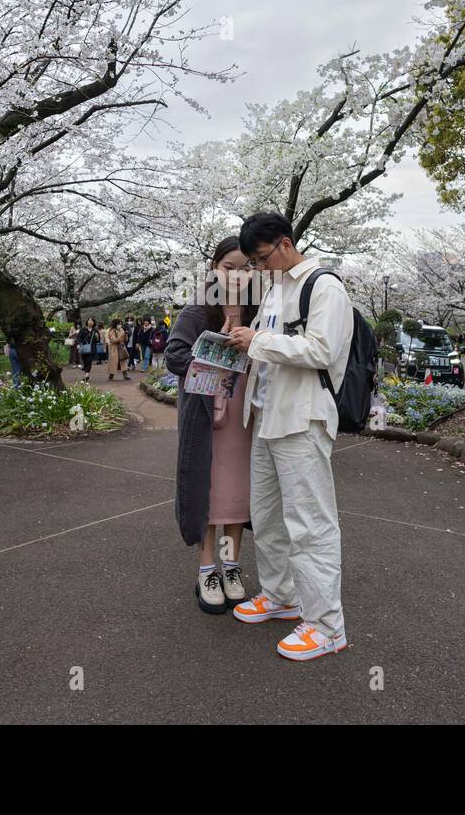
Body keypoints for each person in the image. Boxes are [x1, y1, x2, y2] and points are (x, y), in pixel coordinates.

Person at [224, 212, 353, 662]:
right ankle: (281, 597)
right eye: (254, 264)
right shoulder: (277, 289)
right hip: (265, 416)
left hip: (302, 418)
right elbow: (268, 344)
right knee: (269, 515)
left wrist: (257, 341)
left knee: (311, 524)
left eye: (261, 259)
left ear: (284, 243)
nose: (259, 269)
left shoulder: (325, 285)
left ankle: (326, 625)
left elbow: (323, 349)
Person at [166, 237, 259, 614]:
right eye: (229, 267)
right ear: (214, 268)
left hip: (244, 417)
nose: (238, 275)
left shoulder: (260, 313)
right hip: (206, 417)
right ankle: (207, 569)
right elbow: (174, 357)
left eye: (247, 267)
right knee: (206, 492)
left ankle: (232, 568)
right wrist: (216, 350)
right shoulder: (196, 312)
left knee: (238, 495)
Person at [78, 316, 100, 383]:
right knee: (85, 361)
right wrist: (79, 344)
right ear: (87, 322)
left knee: (89, 361)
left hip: (92, 348)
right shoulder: (83, 329)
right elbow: (78, 337)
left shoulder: (95, 330)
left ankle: (86, 376)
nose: (90, 322)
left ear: (94, 323)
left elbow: (98, 340)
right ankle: (86, 373)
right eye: (89, 320)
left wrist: (97, 337)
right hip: (83, 347)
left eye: (92, 321)